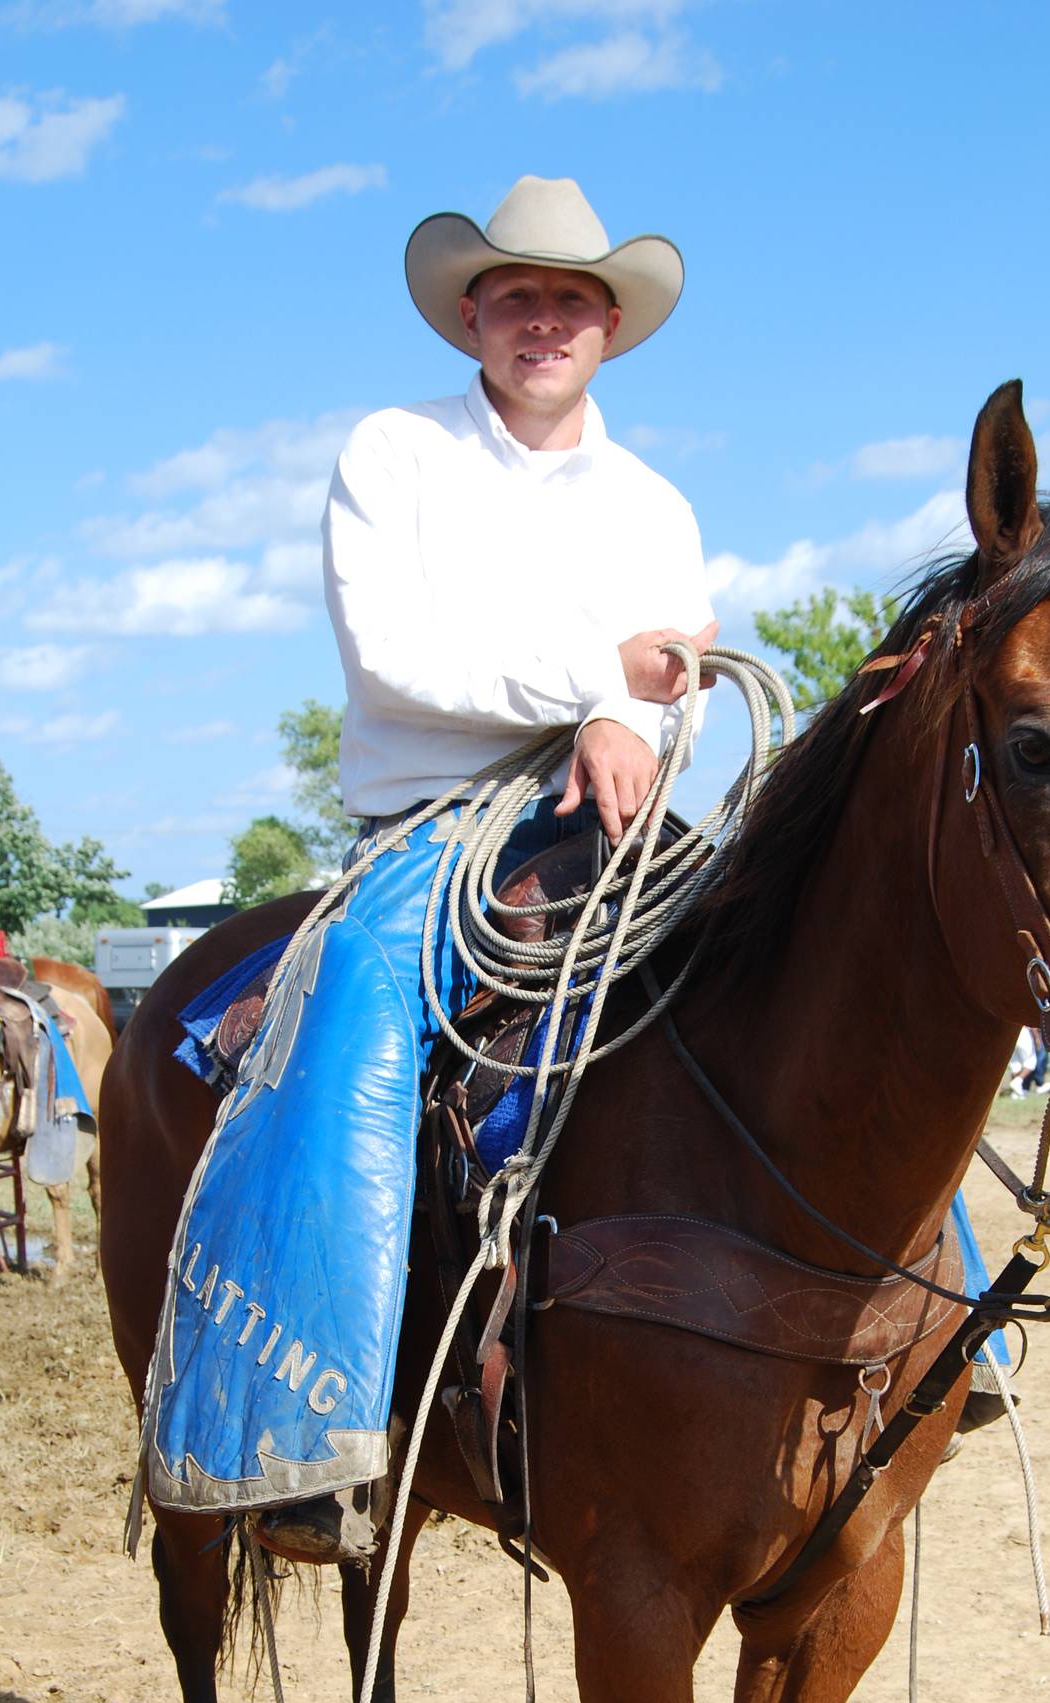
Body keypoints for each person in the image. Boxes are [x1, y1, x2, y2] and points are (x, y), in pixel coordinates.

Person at [142, 176, 717, 1559]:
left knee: (807, 936)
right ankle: (301, 1433)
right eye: (517, 293)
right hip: (435, 828)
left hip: (614, 821)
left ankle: (940, 1324)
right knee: (345, 991)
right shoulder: (393, 454)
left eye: (572, 298)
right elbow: (391, 655)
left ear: (611, 325)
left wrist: (632, 714)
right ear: (472, 309)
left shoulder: (659, 504)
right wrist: (597, 682)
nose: (545, 319)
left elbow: (679, 676)